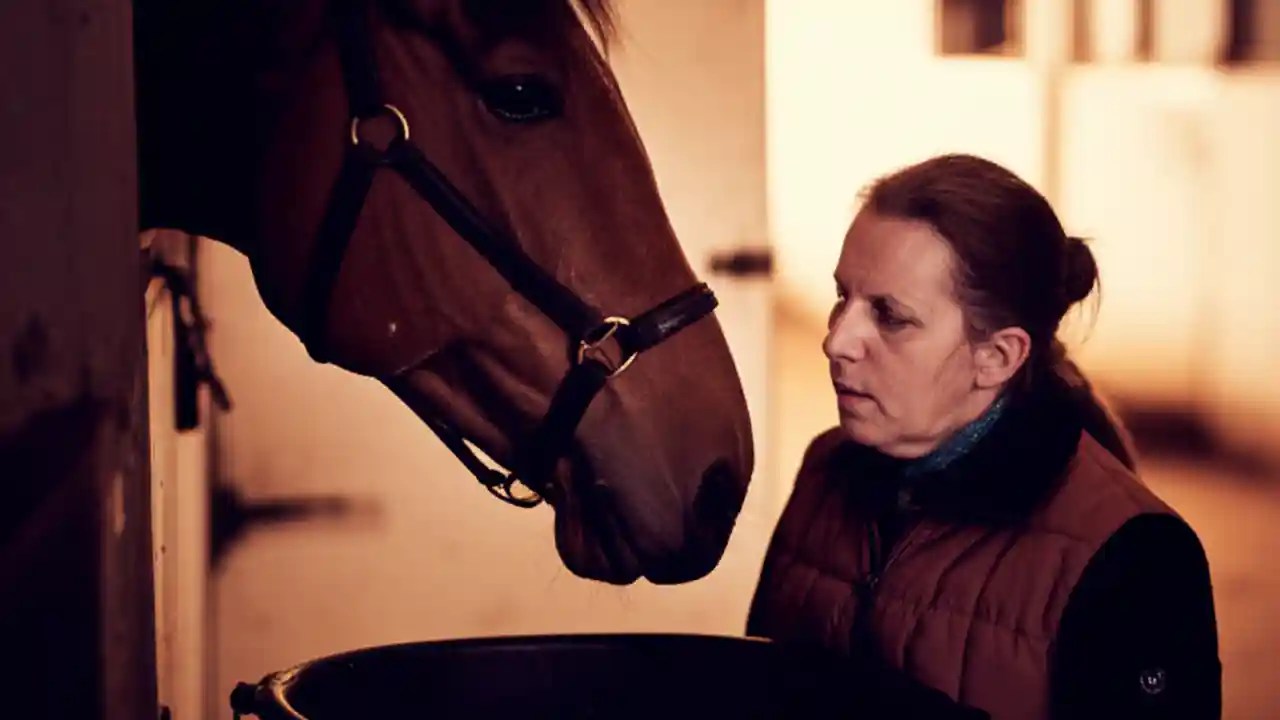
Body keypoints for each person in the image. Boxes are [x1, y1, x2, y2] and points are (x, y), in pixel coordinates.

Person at [746, 154, 1222, 719]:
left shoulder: (1137, 557)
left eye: (890, 316)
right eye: (842, 296)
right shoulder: (827, 467)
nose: (837, 340)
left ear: (996, 357)